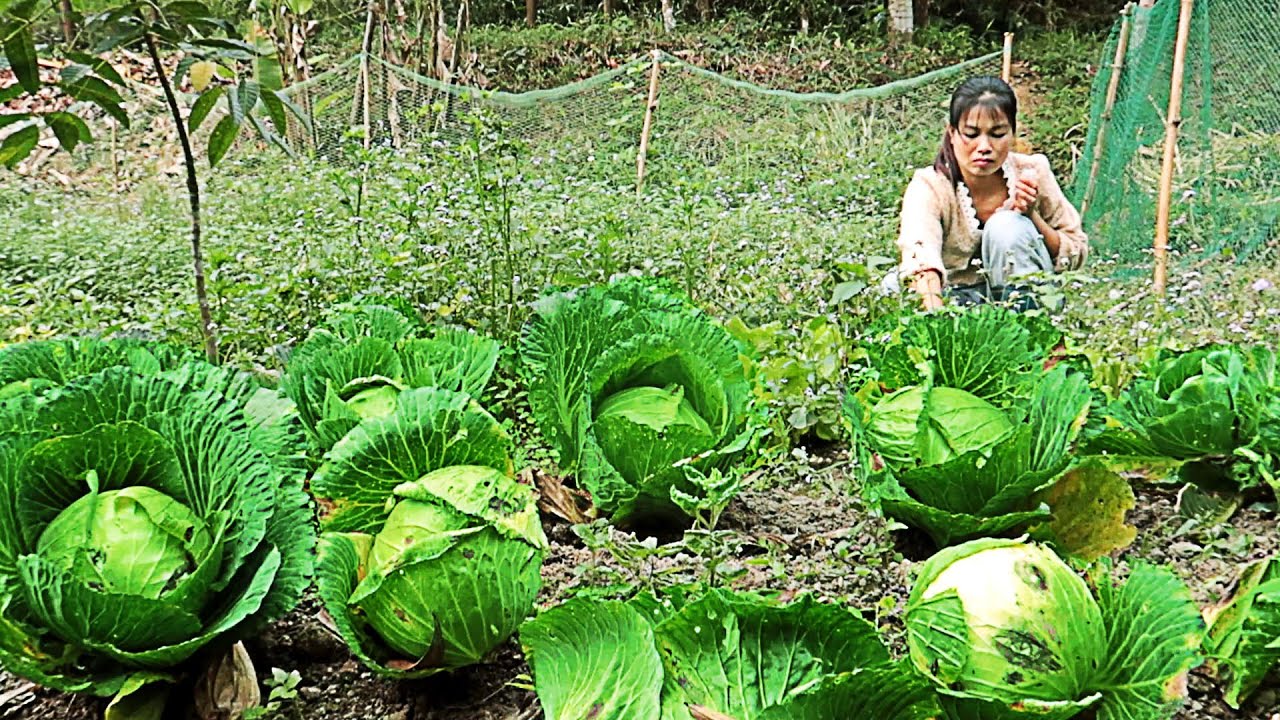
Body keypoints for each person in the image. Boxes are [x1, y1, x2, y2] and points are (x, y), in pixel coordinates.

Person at [883, 75, 1088, 311]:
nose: (984, 147)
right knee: (892, 287)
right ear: (952, 133)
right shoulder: (930, 186)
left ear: (1012, 133)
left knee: (1008, 226)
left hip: (1020, 297)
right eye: (971, 134)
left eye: (997, 134)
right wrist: (936, 326)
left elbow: (1076, 250)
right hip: (954, 299)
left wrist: (1032, 217)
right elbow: (921, 257)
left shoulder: (1032, 173)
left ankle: (1033, 331)